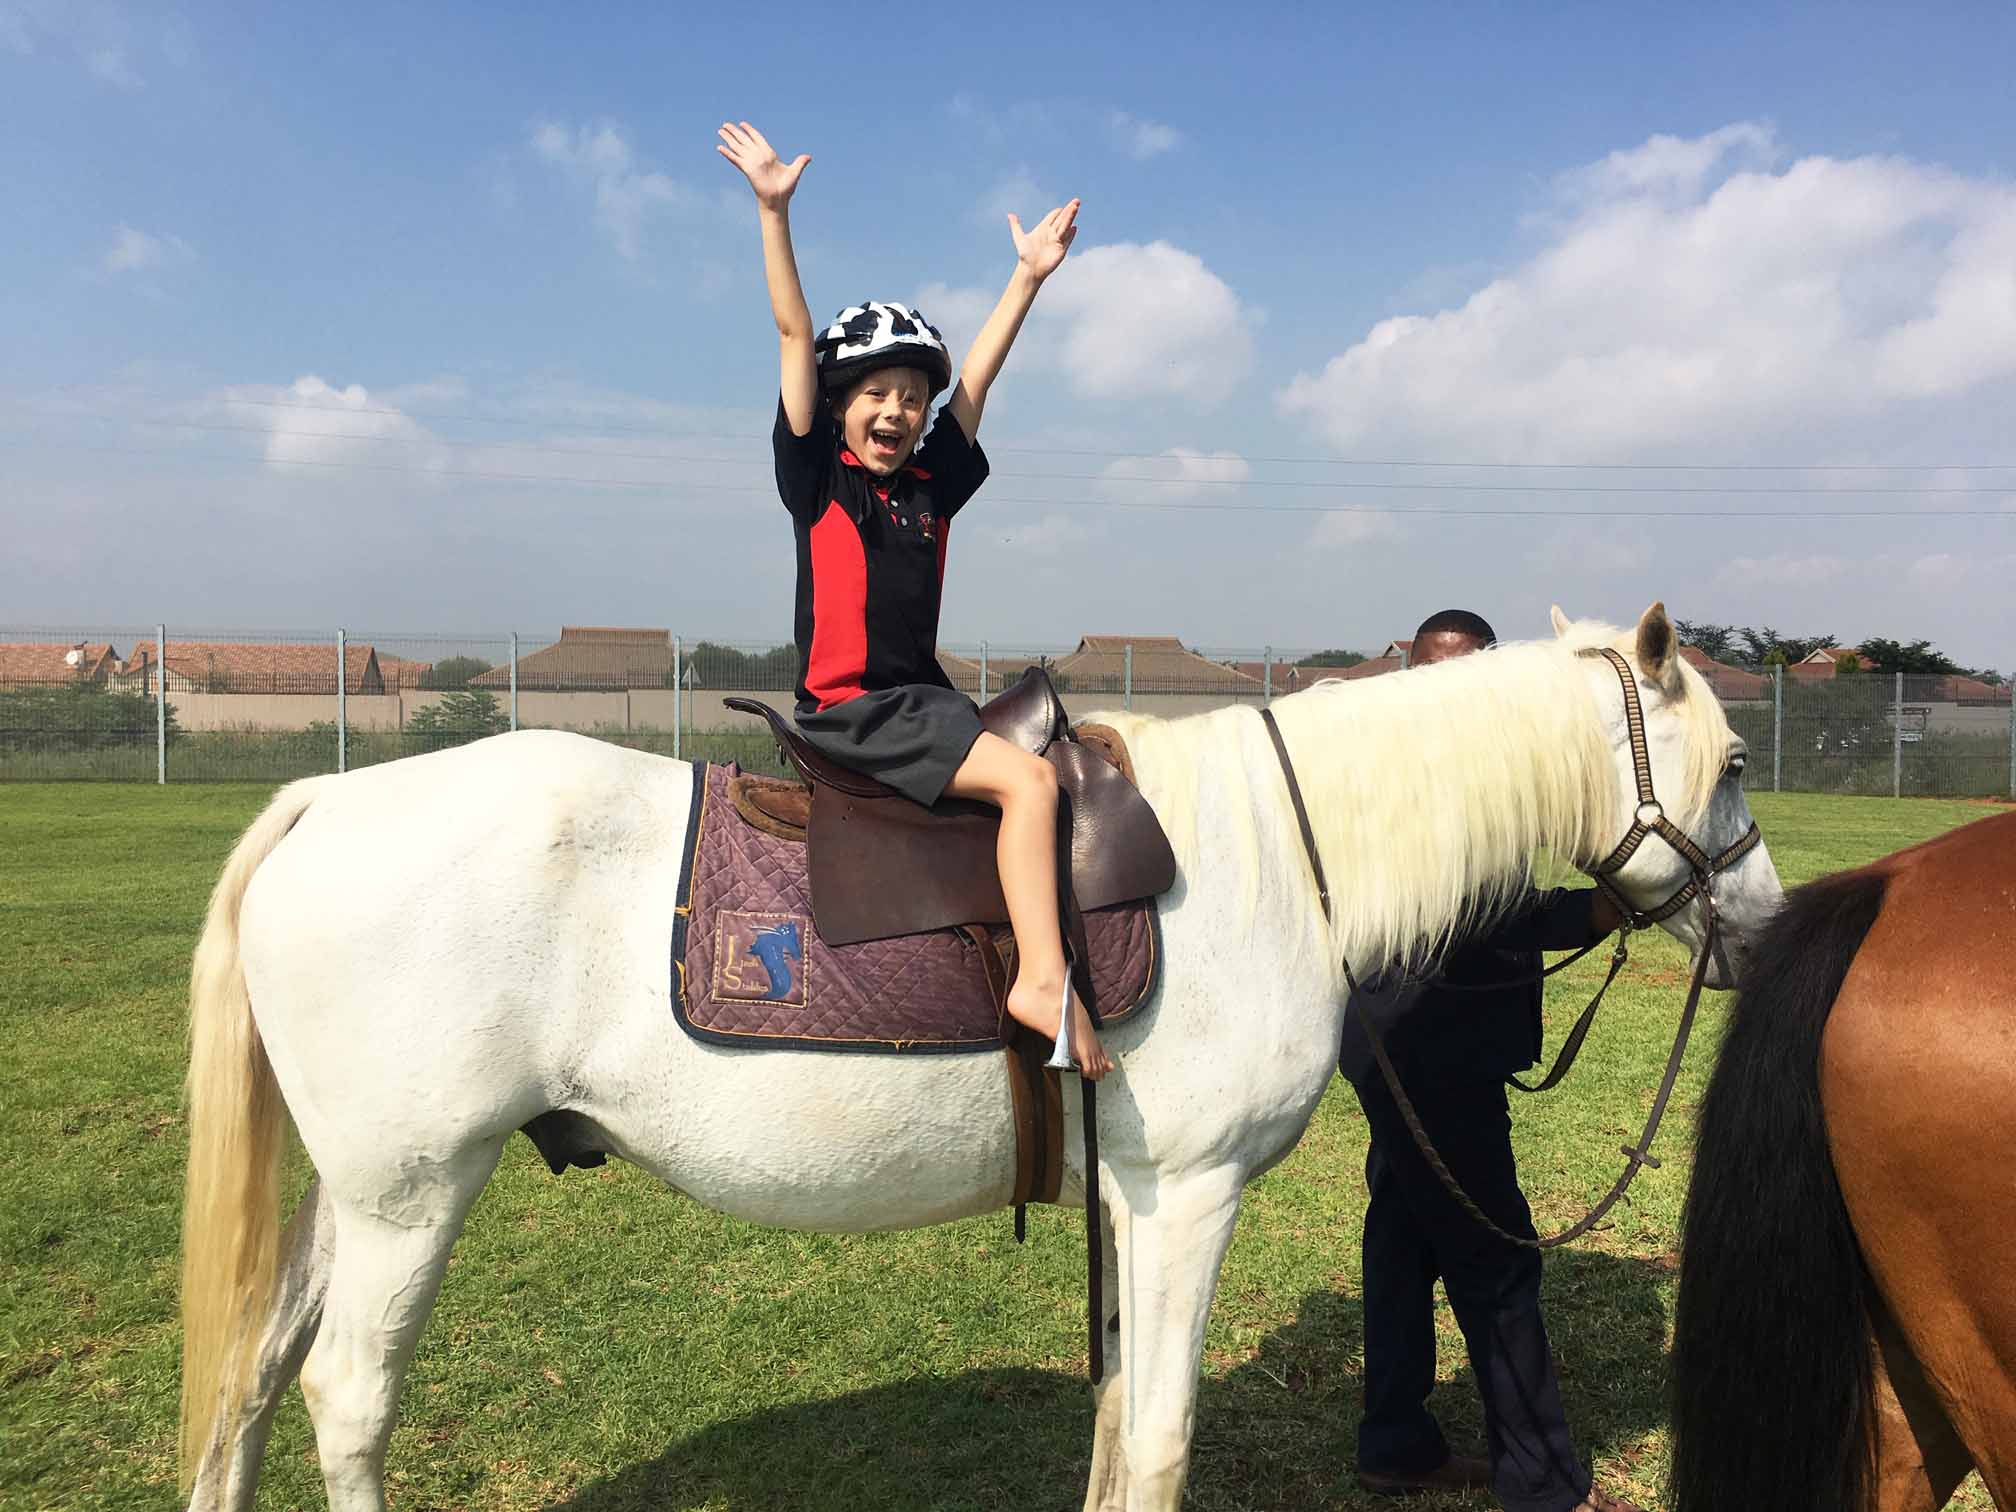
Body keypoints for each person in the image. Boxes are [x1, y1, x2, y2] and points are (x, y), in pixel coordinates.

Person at [717, 120, 1110, 1078]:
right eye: (876, 395)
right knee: (1031, 785)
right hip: (856, 708)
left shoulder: (928, 487)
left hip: (922, 702)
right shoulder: (820, 478)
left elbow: (974, 383)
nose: (896, 411)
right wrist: (772, 212)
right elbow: (794, 333)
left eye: (909, 397)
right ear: (838, 406)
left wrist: (1026, 279)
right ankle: (1042, 982)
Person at [1339, 609, 1642, 1512]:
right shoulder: (1411, 779)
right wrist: (1586, 913)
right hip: (1428, 1050)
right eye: (1435, 673)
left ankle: (1395, 1444)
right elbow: (1475, 913)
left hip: (1407, 1045)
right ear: (1410, 674)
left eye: (1468, 674)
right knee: (1496, 1258)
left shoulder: (1450, 769)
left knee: (1402, 1242)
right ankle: (1543, 1485)